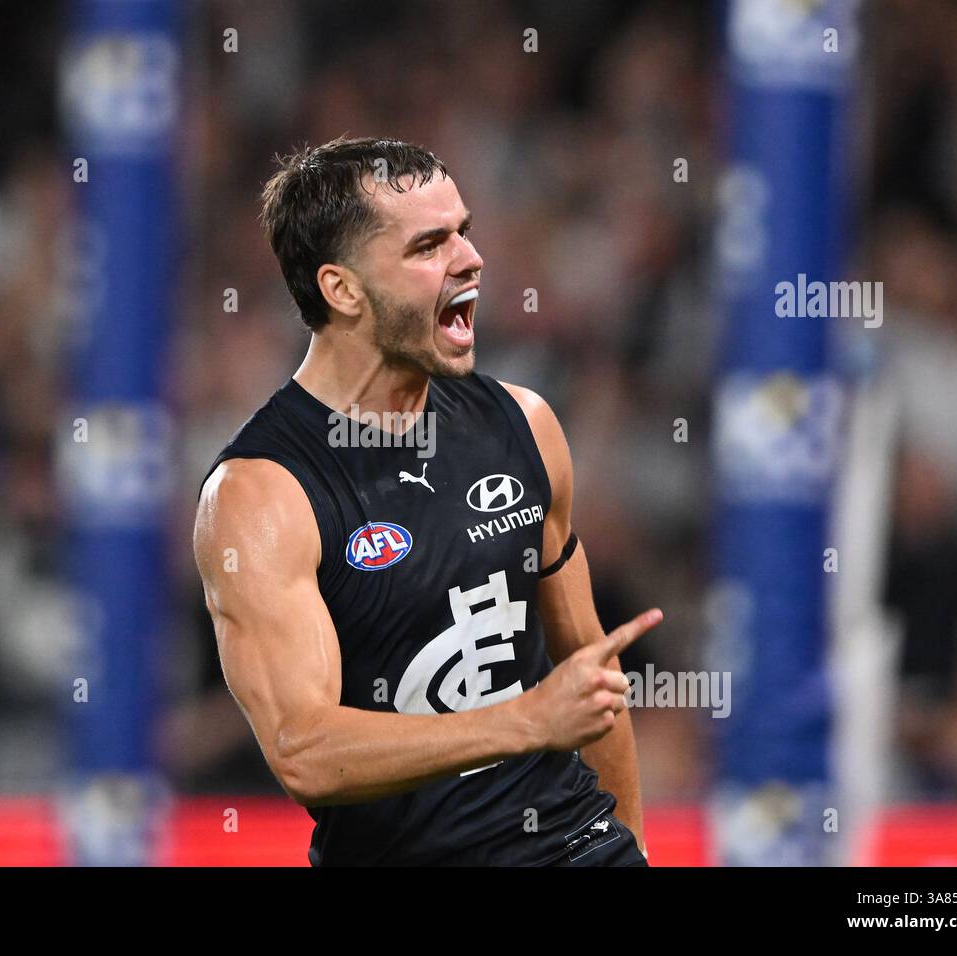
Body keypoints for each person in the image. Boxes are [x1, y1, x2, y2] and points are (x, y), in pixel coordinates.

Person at [194, 136, 662, 865]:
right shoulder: (261, 495)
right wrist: (526, 721)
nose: (470, 260)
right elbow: (305, 752)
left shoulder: (525, 425)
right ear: (341, 289)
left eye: (464, 231)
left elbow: (589, 674)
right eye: (428, 245)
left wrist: (629, 849)